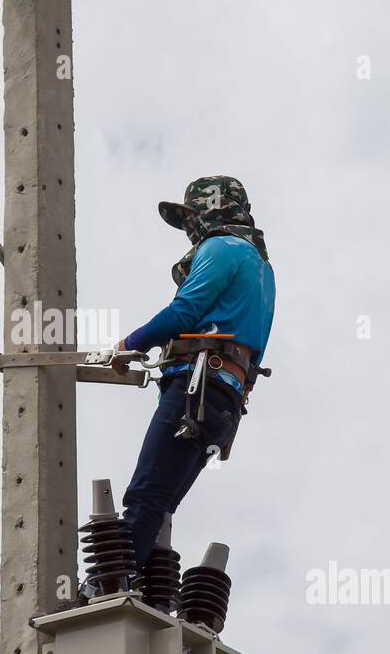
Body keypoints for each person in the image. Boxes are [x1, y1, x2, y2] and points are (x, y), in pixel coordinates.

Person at [110, 175, 276, 574]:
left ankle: (109, 587)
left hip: (196, 387)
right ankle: (144, 590)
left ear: (211, 211)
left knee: (146, 495)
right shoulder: (262, 270)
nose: (188, 230)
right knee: (163, 503)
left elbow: (184, 312)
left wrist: (131, 343)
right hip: (224, 402)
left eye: (190, 218)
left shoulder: (221, 249)